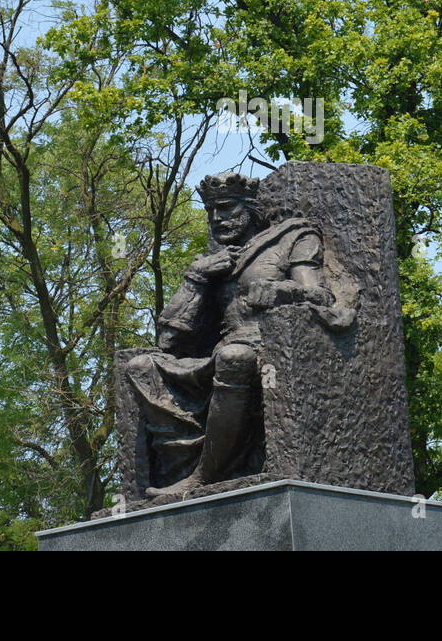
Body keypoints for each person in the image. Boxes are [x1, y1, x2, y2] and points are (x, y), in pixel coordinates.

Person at [123, 171, 348, 497]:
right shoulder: (213, 262)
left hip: (269, 348)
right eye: (211, 212)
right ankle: (180, 471)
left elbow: (321, 296)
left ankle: (203, 477)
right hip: (217, 353)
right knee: (141, 367)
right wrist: (195, 278)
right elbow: (169, 340)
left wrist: (281, 291)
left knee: (234, 358)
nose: (218, 219)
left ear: (251, 209)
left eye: (227, 209)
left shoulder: (292, 238)